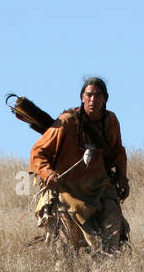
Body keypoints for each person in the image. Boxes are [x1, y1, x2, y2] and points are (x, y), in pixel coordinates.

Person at [29, 77, 131, 254]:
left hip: (100, 188)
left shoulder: (110, 121)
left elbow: (118, 153)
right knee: (66, 248)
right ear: (82, 98)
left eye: (98, 95)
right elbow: (38, 152)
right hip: (67, 190)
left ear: (105, 98)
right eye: (89, 95)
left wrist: (122, 178)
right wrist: (48, 174)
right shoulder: (67, 122)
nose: (93, 100)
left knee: (112, 236)